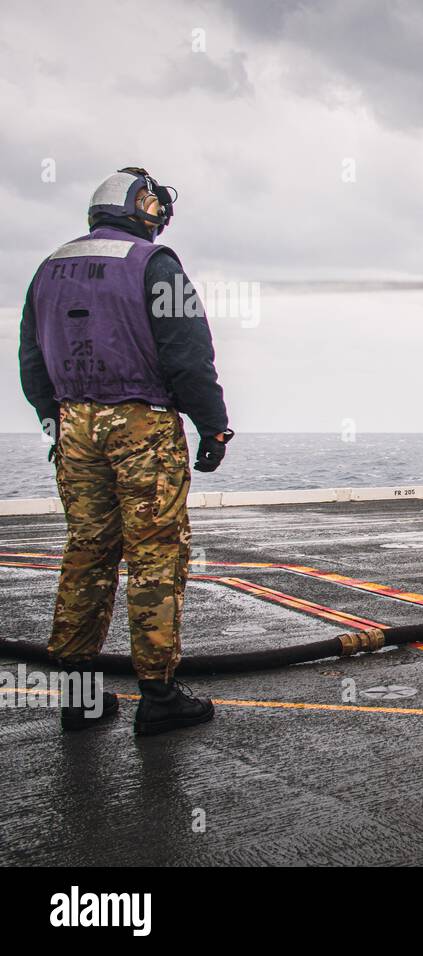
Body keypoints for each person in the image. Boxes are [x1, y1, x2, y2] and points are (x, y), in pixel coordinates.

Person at [19, 166, 231, 735]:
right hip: (141, 424)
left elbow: (32, 356)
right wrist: (212, 426)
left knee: (87, 550)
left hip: (74, 425)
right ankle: (159, 697)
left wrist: (53, 416)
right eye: (156, 205)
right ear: (142, 206)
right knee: (155, 555)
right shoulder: (152, 264)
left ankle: (80, 698)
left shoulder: (51, 265)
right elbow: (188, 351)